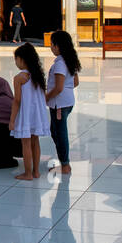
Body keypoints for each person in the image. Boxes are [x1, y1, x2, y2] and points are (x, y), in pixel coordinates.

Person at [10, 41, 50, 181]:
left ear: (22, 59)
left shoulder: (19, 78)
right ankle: (36, 171)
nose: (16, 62)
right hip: (37, 114)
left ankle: (27, 174)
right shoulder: (38, 76)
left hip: (26, 114)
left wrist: (12, 120)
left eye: (16, 59)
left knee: (25, 143)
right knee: (35, 142)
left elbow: (17, 100)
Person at [46, 29, 81, 176]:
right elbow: (75, 82)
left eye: (52, 45)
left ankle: (65, 166)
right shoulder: (69, 60)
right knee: (55, 132)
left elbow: (59, 87)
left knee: (60, 134)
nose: (51, 47)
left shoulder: (60, 63)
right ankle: (64, 161)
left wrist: (47, 97)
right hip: (66, 102)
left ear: (58, 46)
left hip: (59, 104)